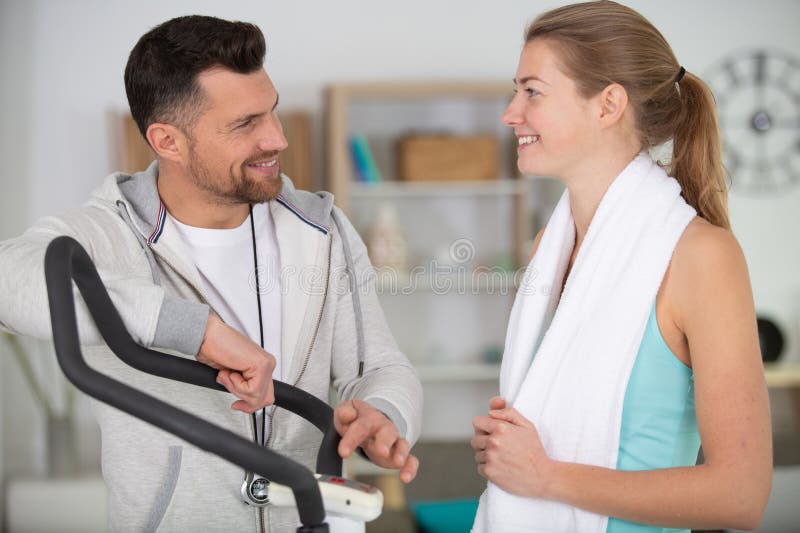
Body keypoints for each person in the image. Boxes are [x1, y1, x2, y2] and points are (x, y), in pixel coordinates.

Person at [0, 15, 421, 532]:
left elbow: (378, 364)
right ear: (168, 141)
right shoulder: (107, 234)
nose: (277, 139)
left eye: (272, 113)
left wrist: (385, 411)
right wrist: (193, 331)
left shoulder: (321, 229)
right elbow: (9, 279)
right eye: (245, 124)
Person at [470, 2, 771, 532]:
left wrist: (543, 475)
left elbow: (741, 495)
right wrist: (508, 450)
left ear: (608, 104)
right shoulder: (551, 246)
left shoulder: (701, 256)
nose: (511, 112)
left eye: (532, 91)